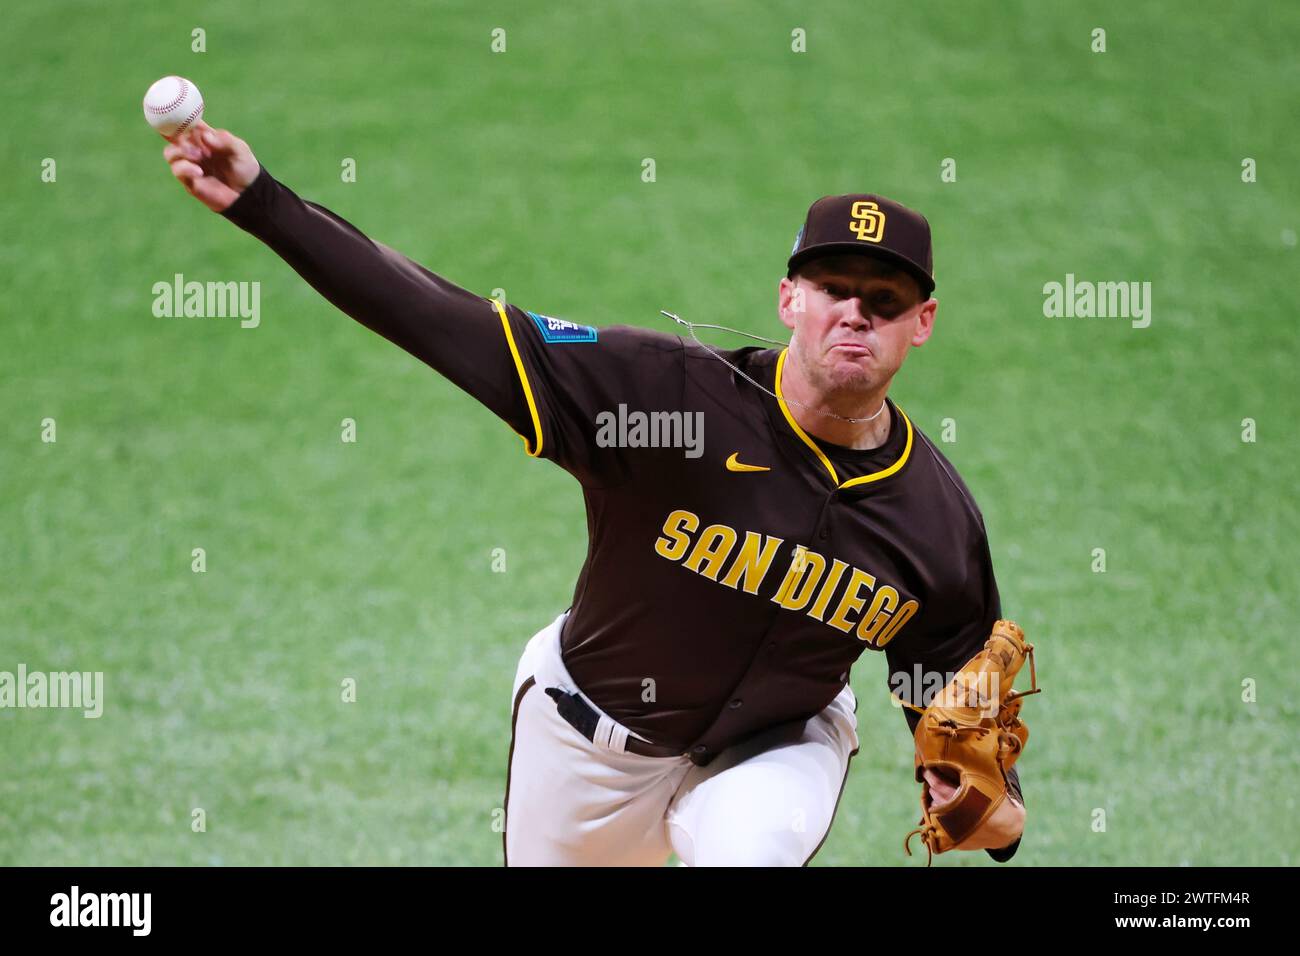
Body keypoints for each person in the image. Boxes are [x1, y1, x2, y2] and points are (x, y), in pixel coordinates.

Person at [161, 120, 1027, 866]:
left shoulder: (937, 523)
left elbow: (956, 705)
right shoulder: (657, 398)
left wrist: (999, 813)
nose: (855, 314)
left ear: (922, 323)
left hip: (774, 749)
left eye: (886, 299)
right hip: (584, 749)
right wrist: (265, 203)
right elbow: (434, 315)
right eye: (834, 288)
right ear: (790, 297)